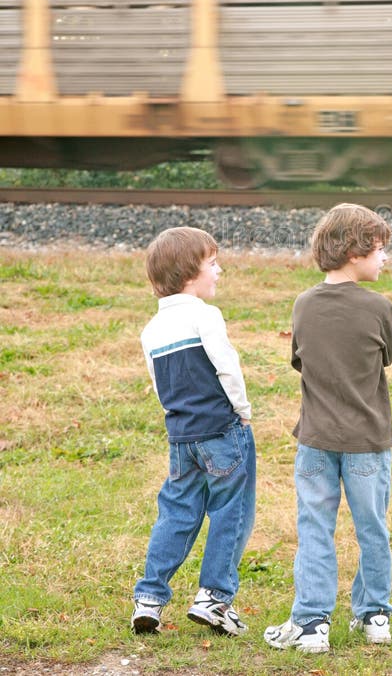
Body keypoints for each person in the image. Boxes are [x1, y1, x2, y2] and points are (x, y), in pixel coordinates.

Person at [264, 203, 392, 654]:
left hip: (316, 440)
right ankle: (375, 614)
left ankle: (312, 622)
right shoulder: (380, 307)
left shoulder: (303, 305)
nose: (384, 258)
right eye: (379, 249)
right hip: (368, 441)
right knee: (372, 527)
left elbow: (300, 359)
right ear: (354, 251)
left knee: (315, 527)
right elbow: (386, 358)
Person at [131, 226, 255, 637]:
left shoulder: (151, 330)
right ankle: (214, 599)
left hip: (181, 436)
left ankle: (149, 598)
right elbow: (226, 368)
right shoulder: (206, 315)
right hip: (222, 431)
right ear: (189, 274)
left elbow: (158, 386)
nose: (219, 271)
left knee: (177, 513)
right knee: (230, 513)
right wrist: (243, 411)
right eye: (213, 263)